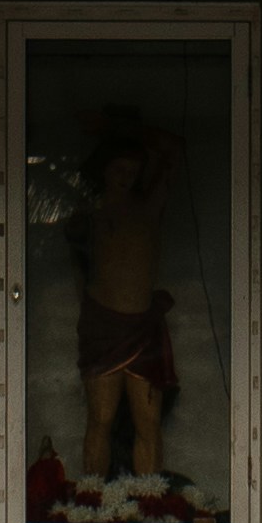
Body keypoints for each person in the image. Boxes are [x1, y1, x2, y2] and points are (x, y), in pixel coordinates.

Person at [70, 110, 177, 490]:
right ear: (104, 169)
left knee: (147, 422)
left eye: (133, 170)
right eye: (120, 168)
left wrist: (124, 127)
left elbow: (173, 150)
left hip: (143, 325)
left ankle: (150, 503)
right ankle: (92, 501)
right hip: (103, 323)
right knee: (100, 417)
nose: (127, 177)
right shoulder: (91, 212)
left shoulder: (148, 207)